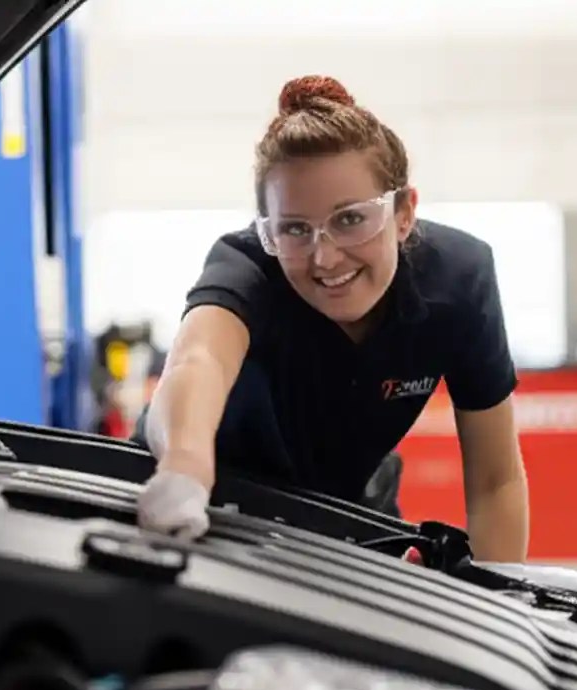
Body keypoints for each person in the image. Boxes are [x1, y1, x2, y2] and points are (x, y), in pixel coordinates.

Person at [134, 75, 530, 563]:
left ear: (403, 213)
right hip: (204, 501)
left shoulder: (458, 279)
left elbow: (496, 481)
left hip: (344, 507)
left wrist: (499, 604)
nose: (325, 258)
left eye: (350, 219)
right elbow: (197, 362)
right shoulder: (247, 267)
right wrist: (185, 469)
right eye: (295, 229)